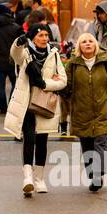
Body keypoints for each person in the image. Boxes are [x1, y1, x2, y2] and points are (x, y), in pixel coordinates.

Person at [63, 32, 107, 192]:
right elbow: (67, 88)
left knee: (101, 143)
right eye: (84, 42)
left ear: (96, 44)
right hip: (81, 112)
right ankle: (93, 173)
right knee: (87, 145)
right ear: (79, 46)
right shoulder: (72, 64)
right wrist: (59, 83)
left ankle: (98, 174)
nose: (88, 44)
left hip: (103, 111)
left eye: (91, 41)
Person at [10, 22, 64, 195]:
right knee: (30, 137)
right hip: (26, 101)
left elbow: (63, 81)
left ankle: (39, 179)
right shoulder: (25, 54)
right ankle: (27, 177)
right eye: (40, 35)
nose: (44, 38)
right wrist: (18, 42)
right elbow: (15, 54)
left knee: (42, 139)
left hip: (44, 102)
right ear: (32, 37)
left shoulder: (54, 55)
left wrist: (46, 84)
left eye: (46, 36)